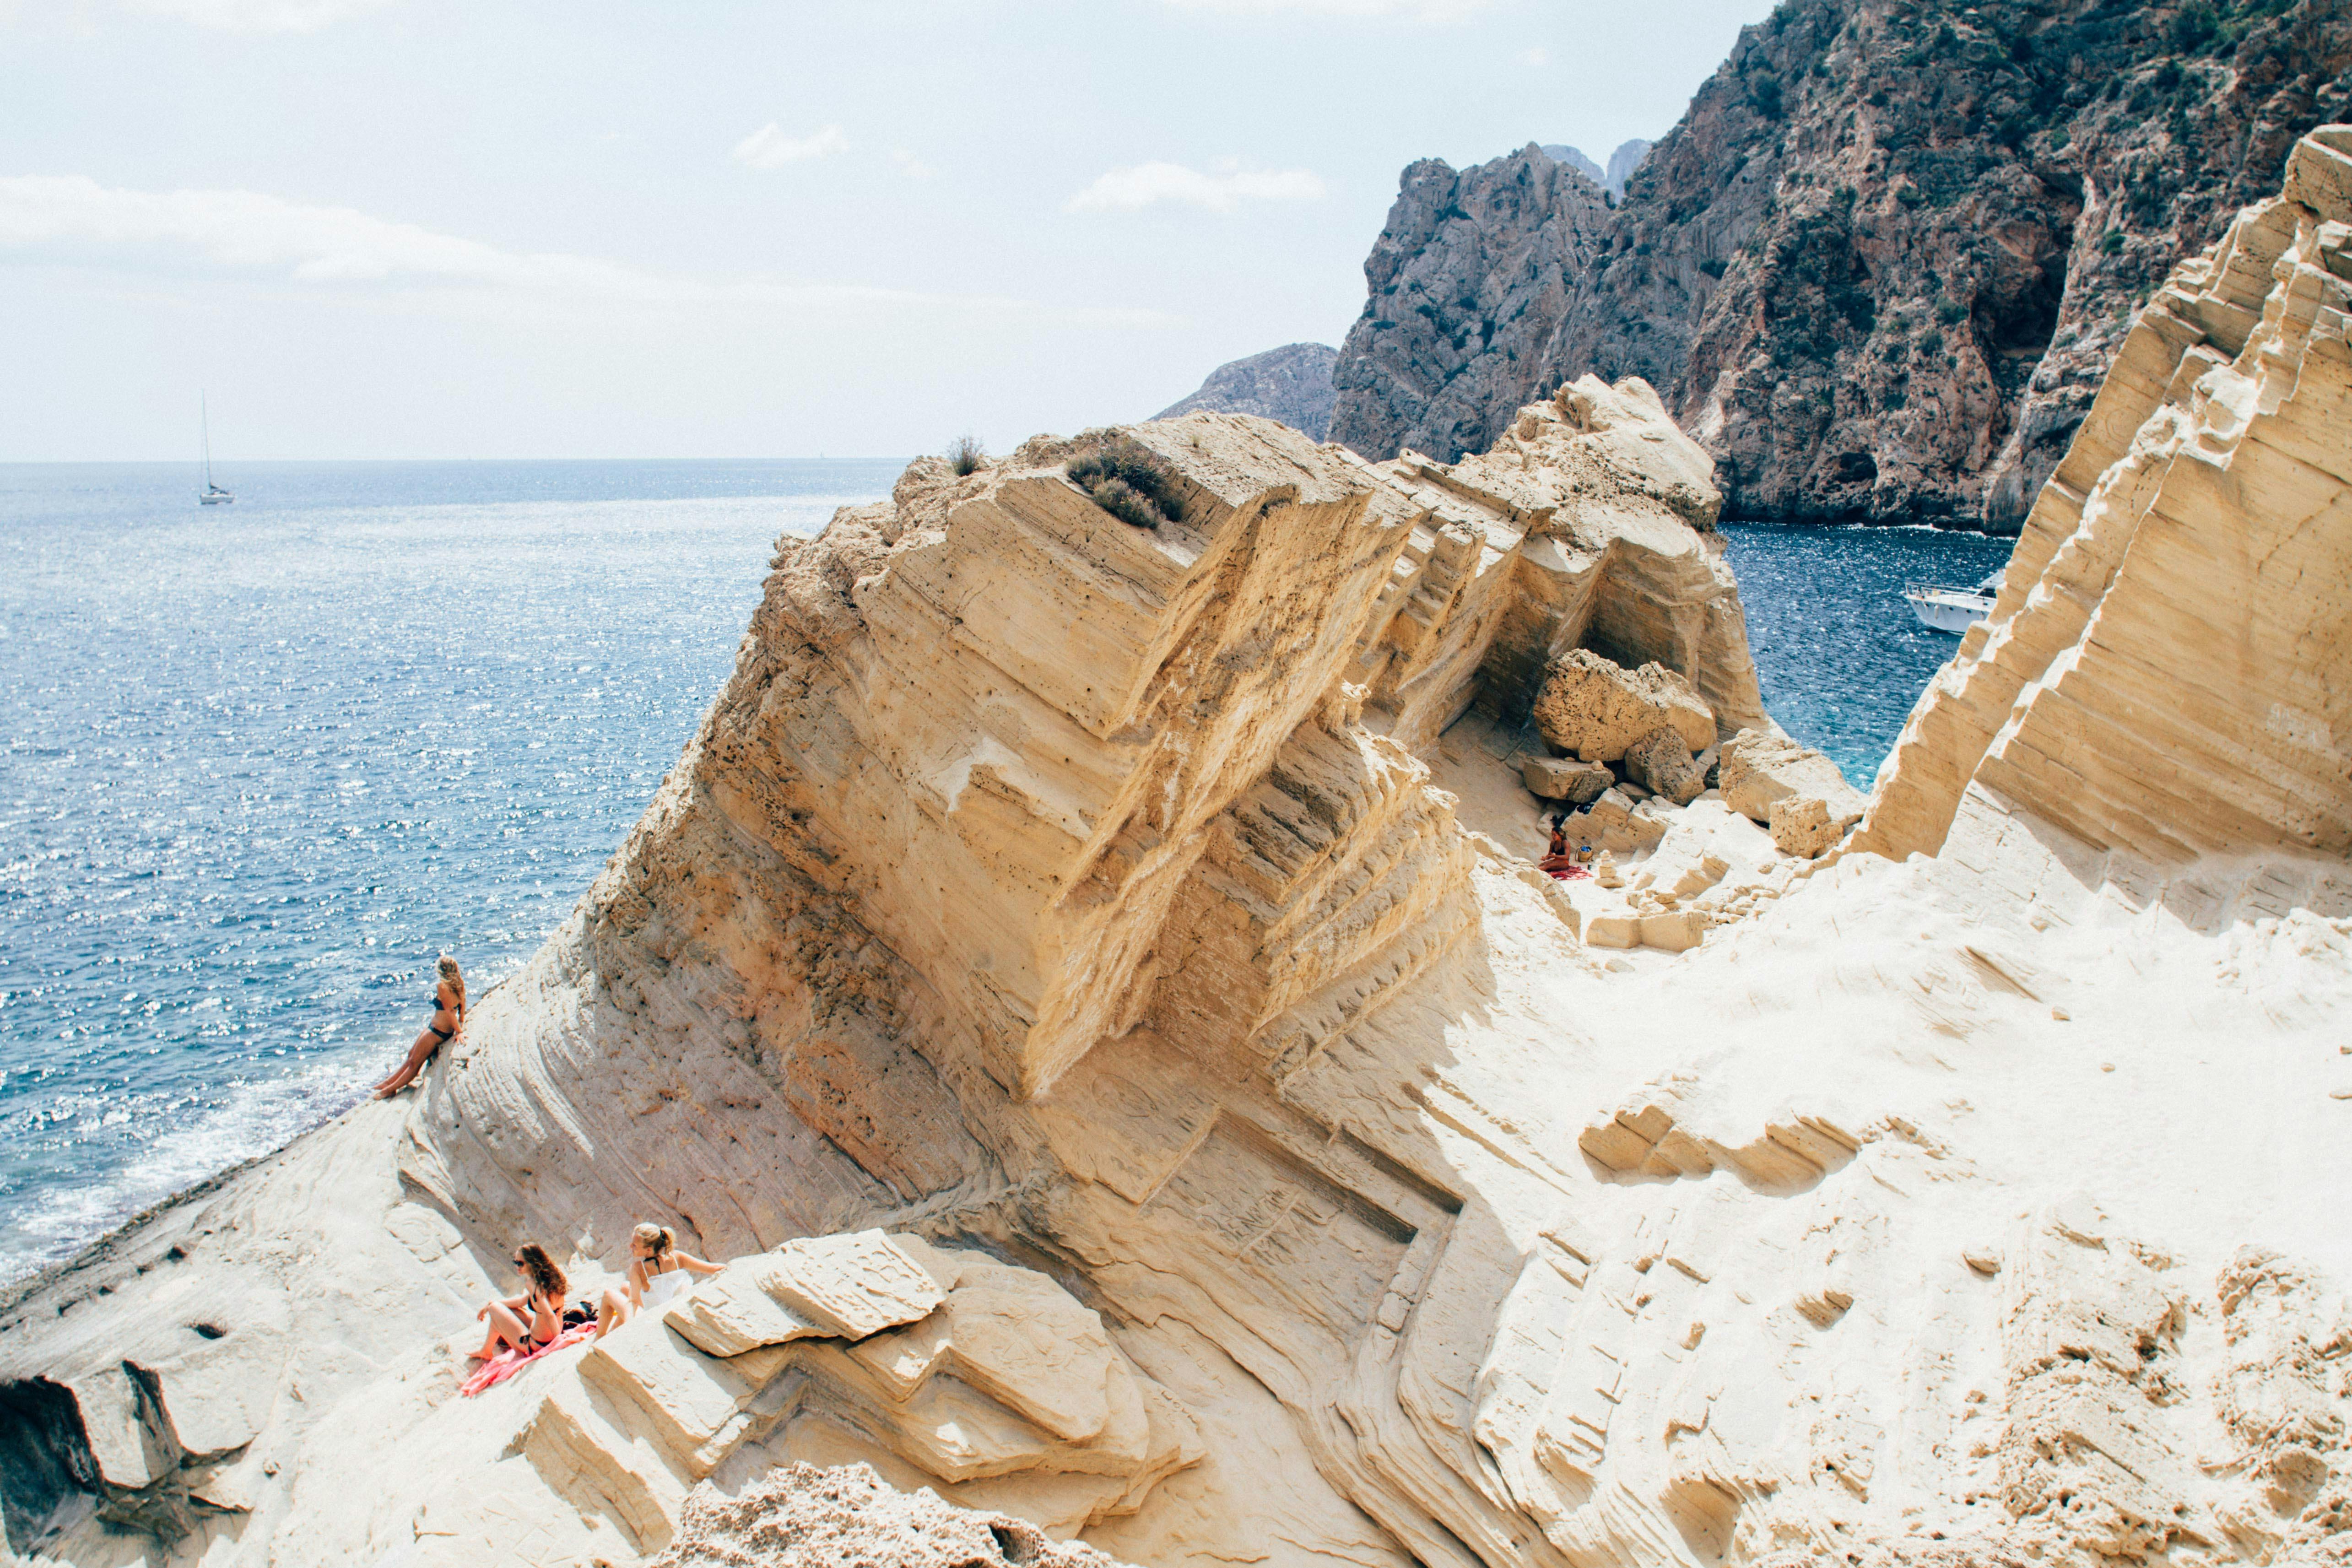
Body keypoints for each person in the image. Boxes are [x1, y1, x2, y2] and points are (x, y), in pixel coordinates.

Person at [594, 1223, 725, 1339]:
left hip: (654, 1316)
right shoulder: (677, 1257)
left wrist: (631, 1328)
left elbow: (633, 1302)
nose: (631, 1246)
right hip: (676, 1305)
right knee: (624, 1287)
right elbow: (714, 1268)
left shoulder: (639, 1268)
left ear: (648, 1250)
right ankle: (613, 1332)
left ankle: (599, 1339)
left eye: (635, 1245)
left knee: (608, 1294)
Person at [373, 954, 465, 1099]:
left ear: (441, 970)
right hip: (437, 1028)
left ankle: (390, 1090)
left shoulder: (442, 986)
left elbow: (448, 1011)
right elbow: (462, 1005)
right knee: (411, 1055)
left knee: (415, 1063)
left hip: (438, 1032)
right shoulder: (460, 983)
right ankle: (389, 1082)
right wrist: (461, 1021)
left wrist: (459, 1031)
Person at [474, 1242, 566, 1361]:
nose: (517, 1266)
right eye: (515, 1262)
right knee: (498, 1310)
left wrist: (559, 1340)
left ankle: (518, 1352)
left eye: (520, 1263)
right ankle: (486, 1350)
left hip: (538, 1343)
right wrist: (489, 1305)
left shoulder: (532, 1284)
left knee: (494, 1309)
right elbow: (521, 1302)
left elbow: (549, 1314)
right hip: (552, 1332)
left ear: (532, 1263)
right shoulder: (551, 1277)